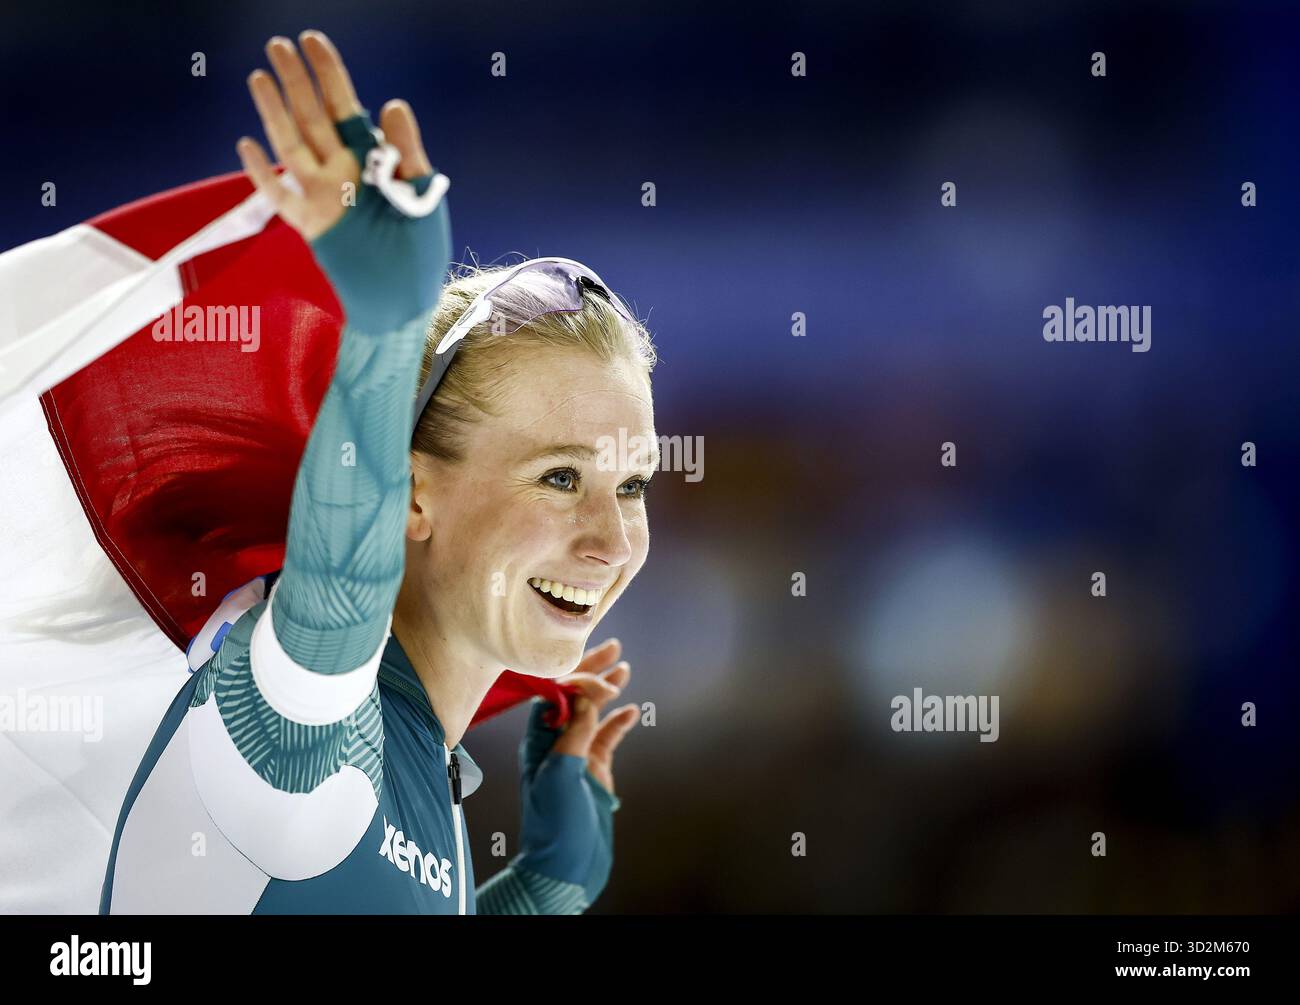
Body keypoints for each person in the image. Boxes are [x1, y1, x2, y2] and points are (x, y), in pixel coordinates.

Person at [99, 29, 658, 914]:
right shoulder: (303, 716)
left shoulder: (413, 761)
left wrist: (546, 887)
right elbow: (337, 597)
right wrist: (387, 323)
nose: (613, 540)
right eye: (560, 476)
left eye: (632, 484)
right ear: (408, 492)